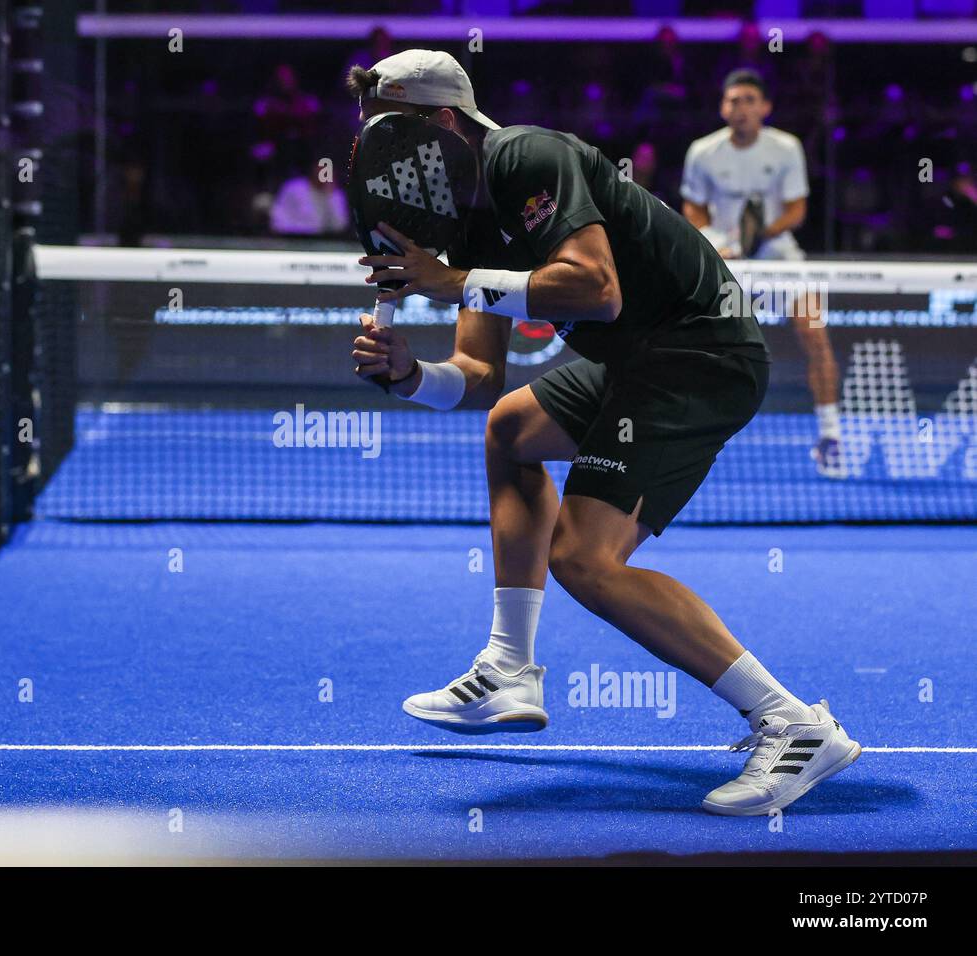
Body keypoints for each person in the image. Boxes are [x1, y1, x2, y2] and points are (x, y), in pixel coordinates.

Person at [345, 50, 859, 816]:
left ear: (444, 122)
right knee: (510, 427)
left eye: (394, 132)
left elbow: (597, 289)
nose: (384, 154)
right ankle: (510, 668)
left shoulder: (525, 154)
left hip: (697, 354)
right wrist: (410, 375)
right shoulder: (472, 222)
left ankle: (792, 725)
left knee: (585, 559)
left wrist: (450, 280)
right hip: (637, 362)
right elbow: (479, 376)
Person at [682, 69, 845, 477]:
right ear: (723, 107)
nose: (741, 108)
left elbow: (796, 209)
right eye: (733, 101)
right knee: (697, 341)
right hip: (728, 260)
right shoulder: (702, 152)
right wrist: (718, 240)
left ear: (765, 108)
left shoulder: (786, 148)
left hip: (779, 257)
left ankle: (831, 435)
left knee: (814, 332)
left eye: (749, 100)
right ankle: (689, 434)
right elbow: (694, 208)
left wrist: (759, 236)